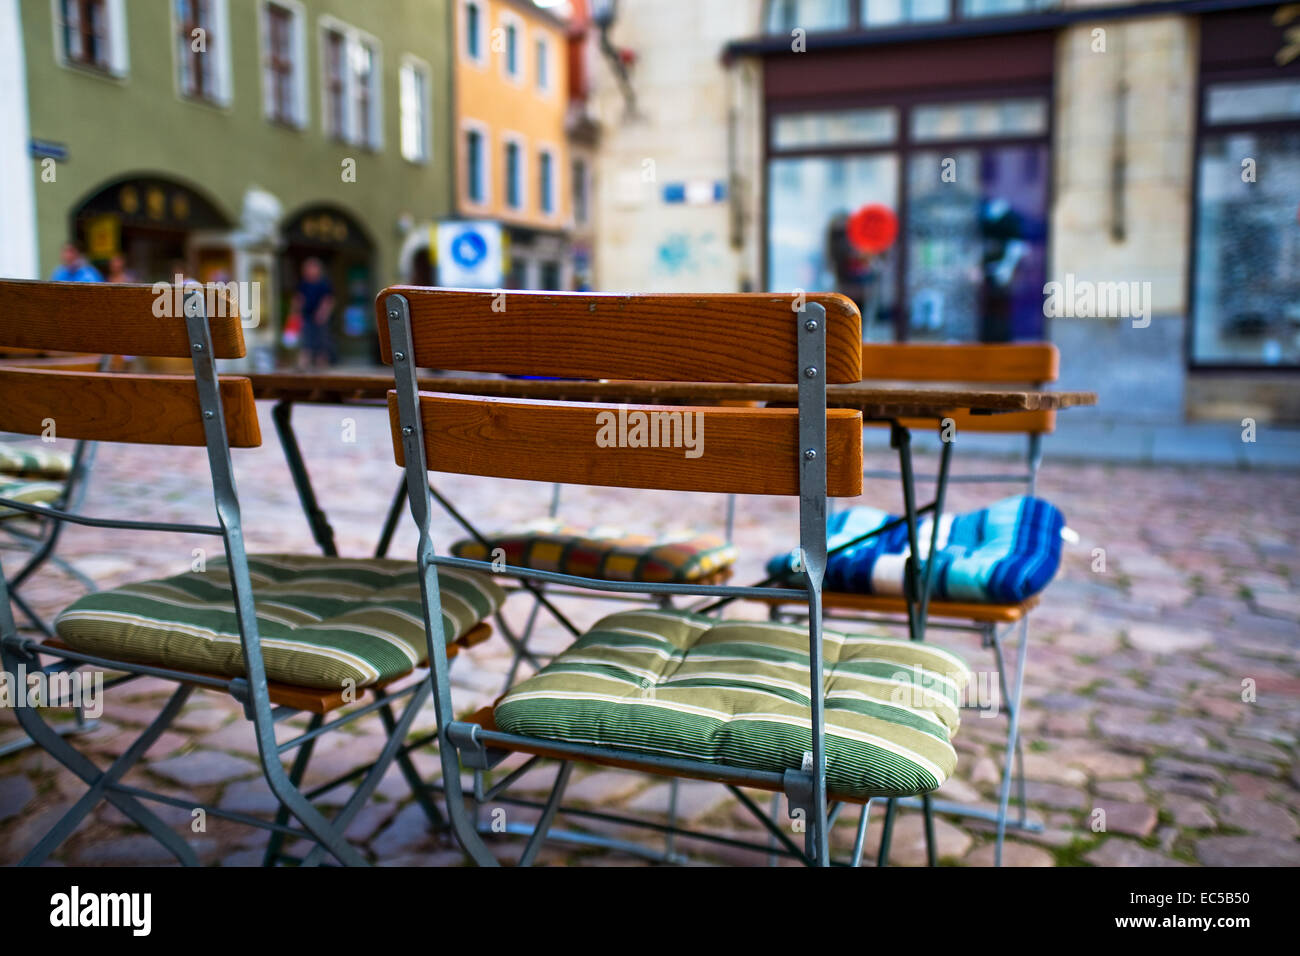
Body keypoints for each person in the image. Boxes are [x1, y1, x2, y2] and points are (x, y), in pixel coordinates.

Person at [292, 258, 335, 369]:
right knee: (306, 340)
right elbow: (299, 298)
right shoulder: (304, 284)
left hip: (320, 317)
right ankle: (304, 363)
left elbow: (328, 300)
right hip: (306, 316)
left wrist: (323, 313)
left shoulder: (323, 284)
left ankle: (321, 364)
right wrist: (295, 312)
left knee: (322, 341)